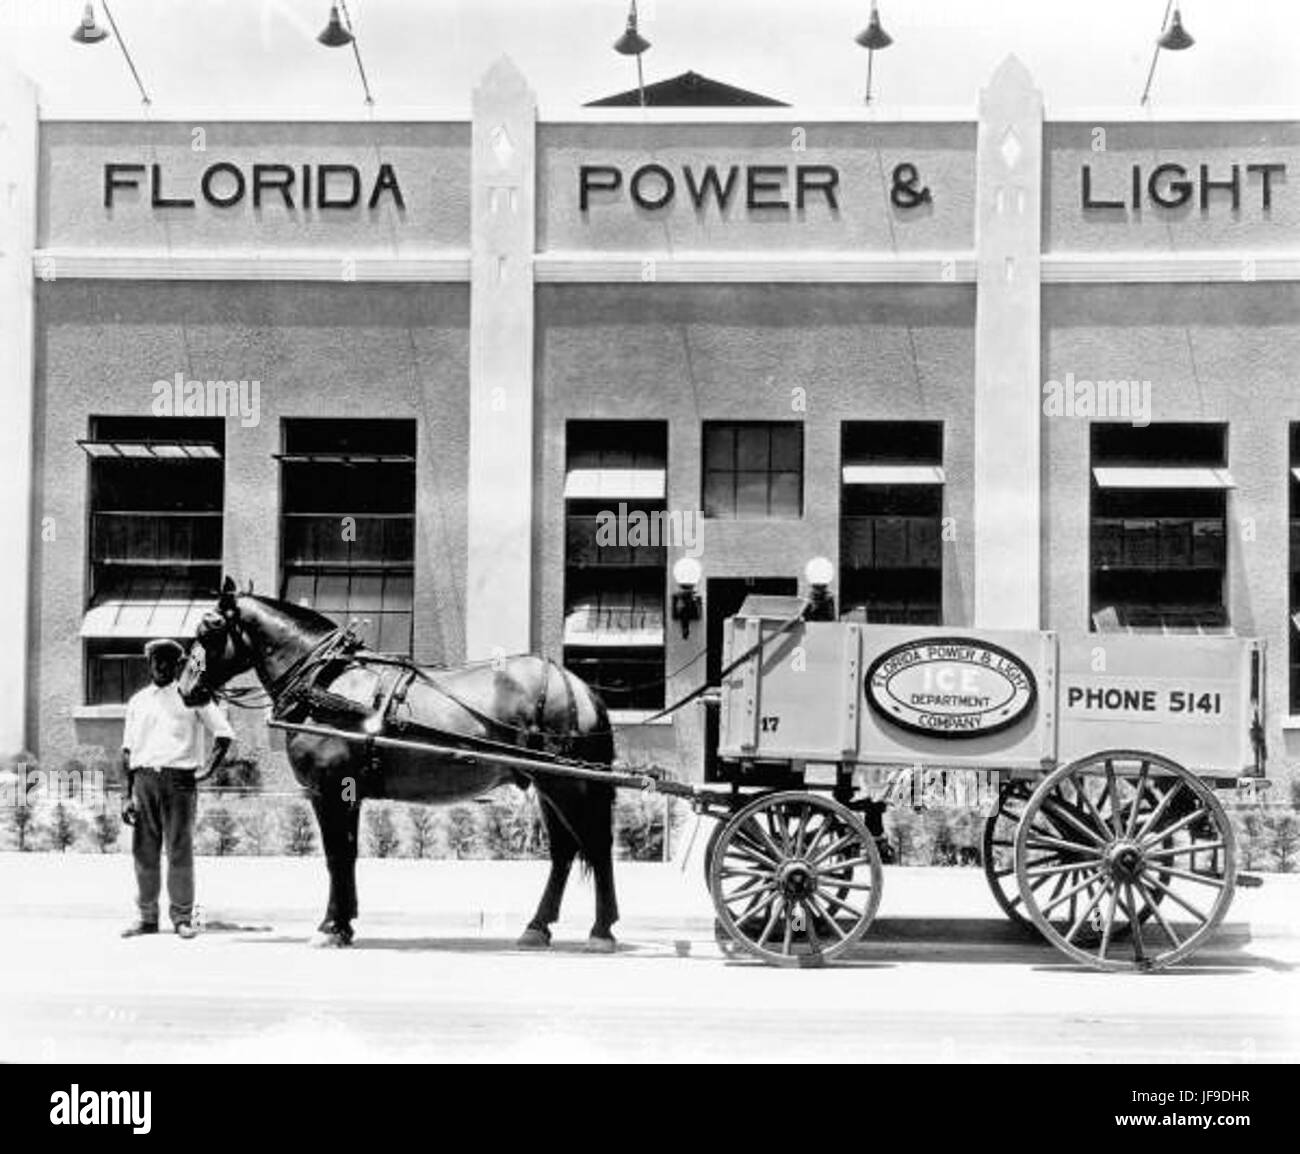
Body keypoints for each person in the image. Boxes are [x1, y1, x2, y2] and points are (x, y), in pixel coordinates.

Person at [120, 638, 233, 939]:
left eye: (168, 659)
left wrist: (207, 769)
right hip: (144, 781)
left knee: (179, 851)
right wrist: (125, 796)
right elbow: (128, 752)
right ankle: (146, 918)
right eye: (156, 659)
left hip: (179, 782)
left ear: (177, 664)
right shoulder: (138, 701)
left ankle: (182, 918)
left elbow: (224, 734)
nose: (161, 664)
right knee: (144, 853)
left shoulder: (192, 697)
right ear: (149, 663)